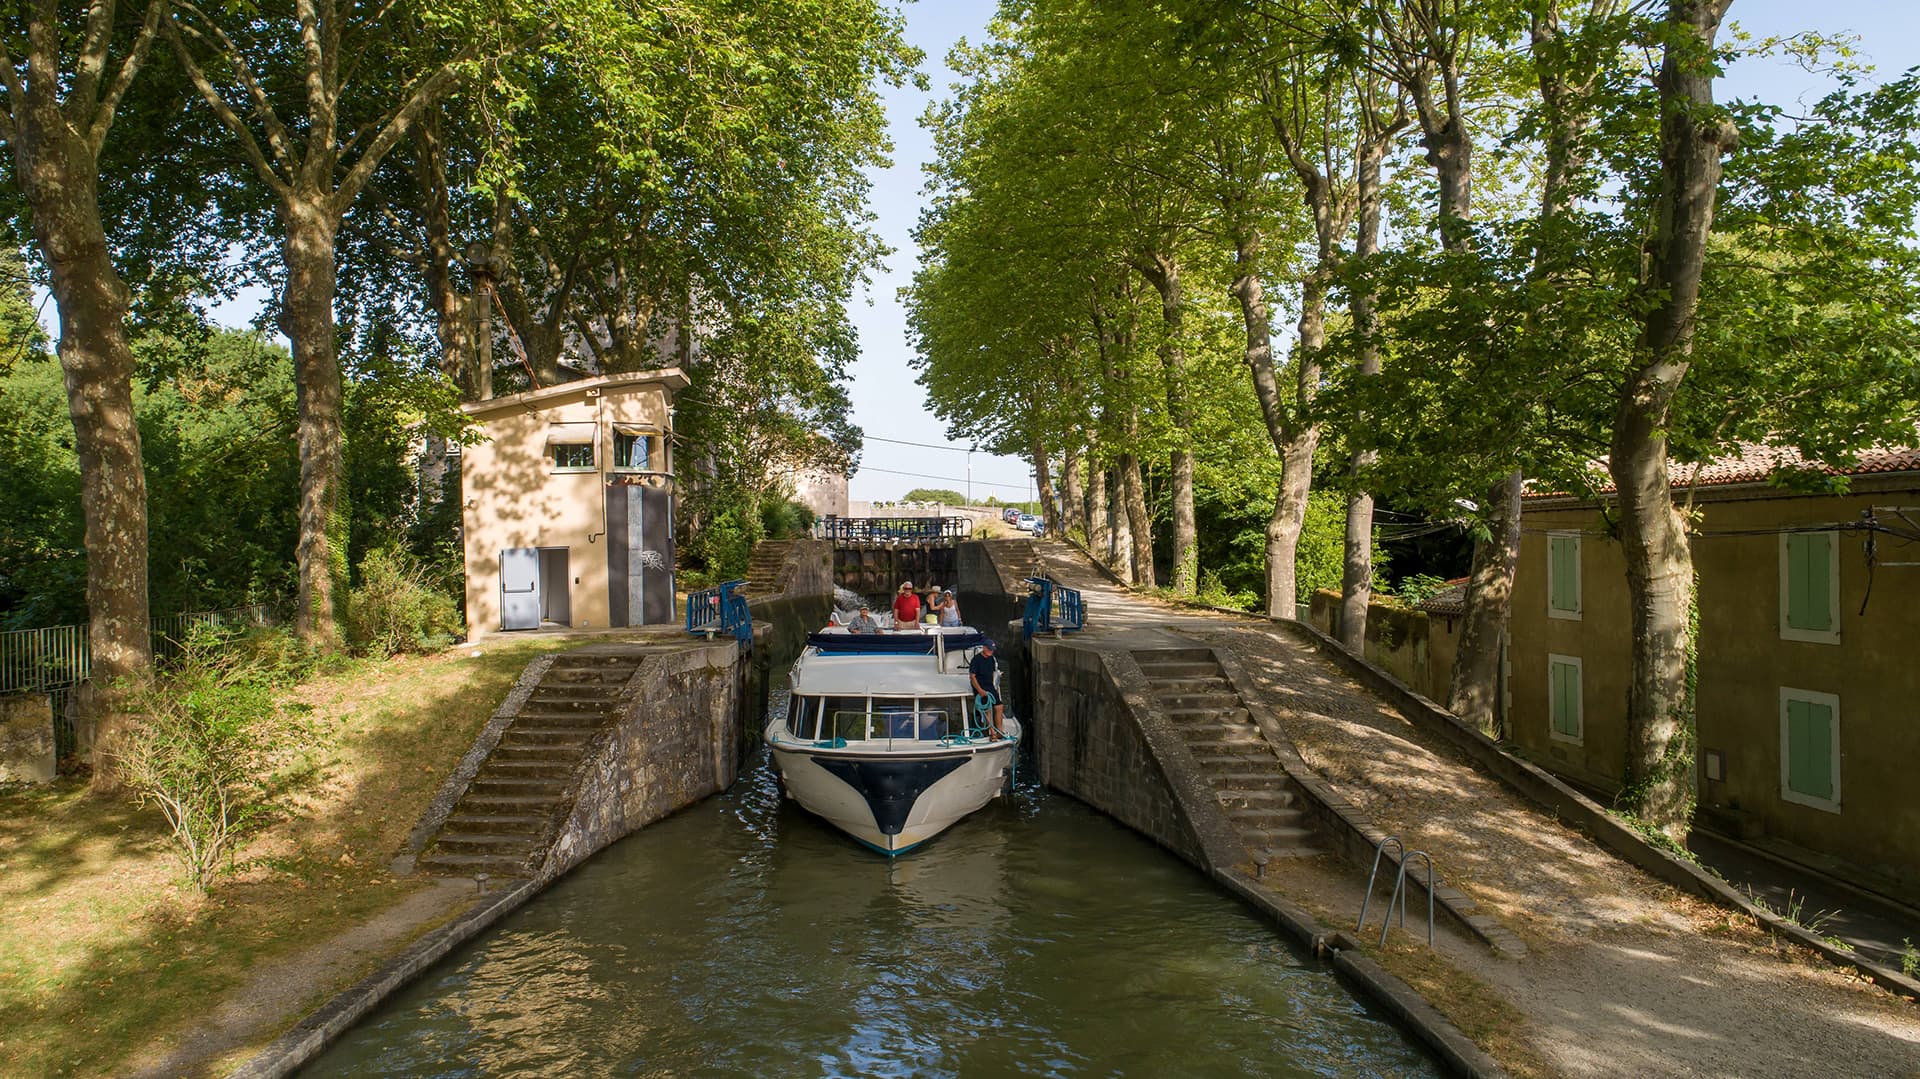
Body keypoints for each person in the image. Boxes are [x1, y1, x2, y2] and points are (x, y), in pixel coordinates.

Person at [968, 639, 1005, 739]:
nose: (991, 651)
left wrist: (993, 686)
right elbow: (972, 677)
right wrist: (979, 690)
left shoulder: (991, 659)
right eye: (989, 649)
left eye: (992, 650)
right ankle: (992, 732)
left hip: (989, 686)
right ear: (984, 647)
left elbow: (993, 673)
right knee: (987, 708)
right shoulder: (976, 660)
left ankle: (999, 730)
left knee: (999, 706)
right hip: (980, 686)